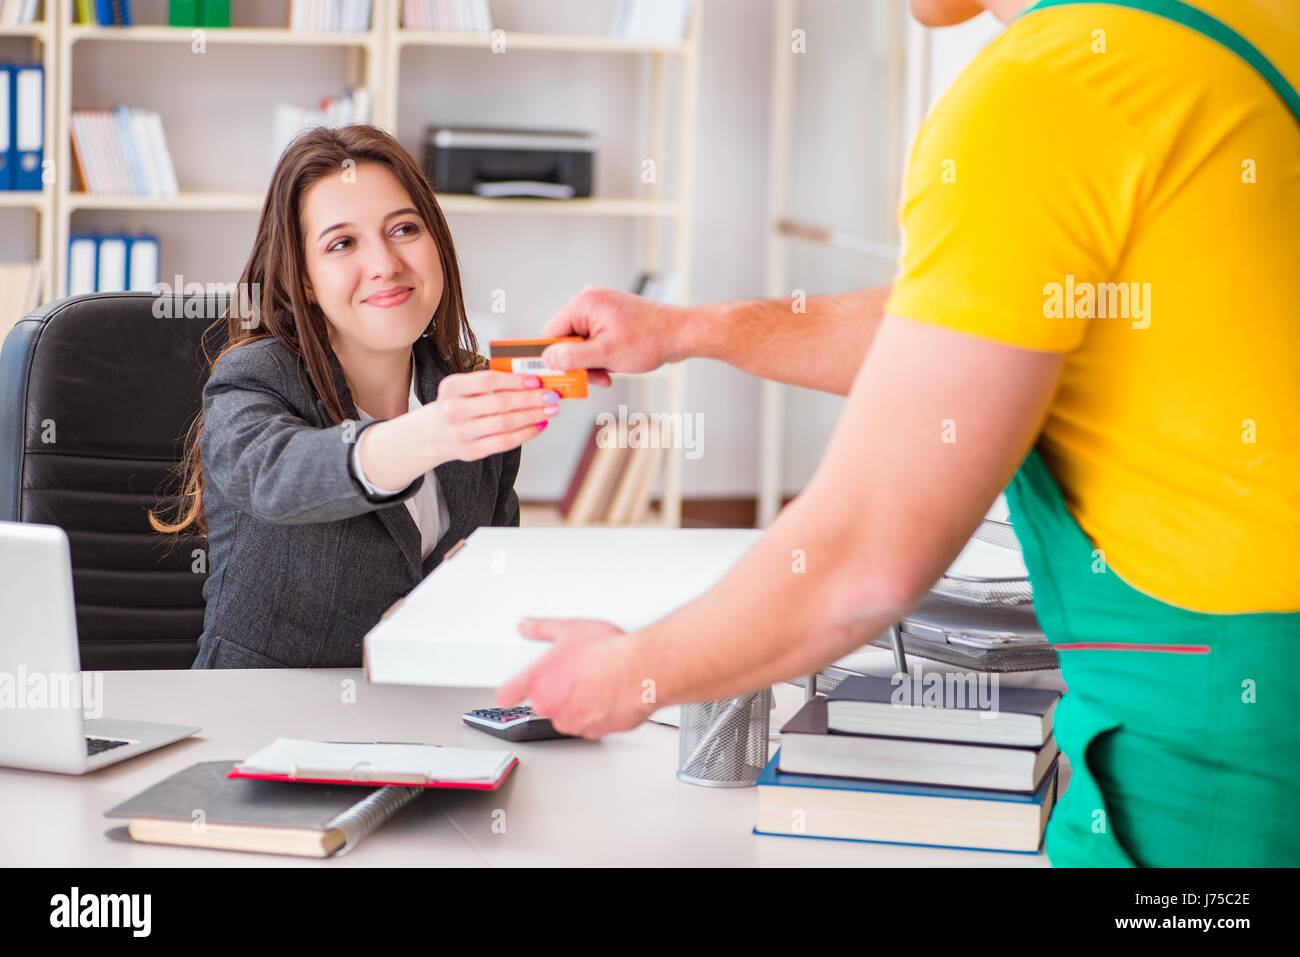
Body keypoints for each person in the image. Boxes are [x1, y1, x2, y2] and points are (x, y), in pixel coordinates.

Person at [496, 0, 1300, 866]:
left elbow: (863, 558)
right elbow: (977, 324)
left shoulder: (1046, 91)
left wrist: (624, 675)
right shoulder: (1243, 30)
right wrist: (688, 329)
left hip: (1213, 769)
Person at [151, 125, 557, 668]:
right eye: (342, 243)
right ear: (304, 279)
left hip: (427, 708)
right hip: (261, 709)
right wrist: (430, 434)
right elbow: (278, 475)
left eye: (404, 229)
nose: (385, 264)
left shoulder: (465, 386)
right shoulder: (254, 377)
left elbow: (491, 585)